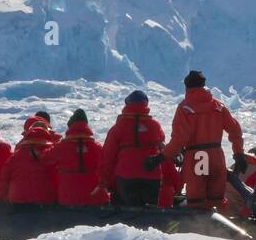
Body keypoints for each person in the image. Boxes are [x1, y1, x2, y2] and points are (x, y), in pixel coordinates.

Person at [145, 70, 246, 211]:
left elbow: (178, 140)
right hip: (217, 157)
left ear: (187, 86)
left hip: (199, 158)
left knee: (197, 203)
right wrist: (239, 154)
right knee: (216, 200)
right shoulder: (218, 106)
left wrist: (160, 158)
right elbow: (235, 130)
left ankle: (197, 230)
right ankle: (223, 229)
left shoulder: (185, 108)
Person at [100, 90, 166, 206]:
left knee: (129, 213)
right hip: (152, 176)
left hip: (126, 176)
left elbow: (108, 157)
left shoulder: (118, 127)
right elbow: (163, 150)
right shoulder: (155, 125)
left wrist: (106, 180)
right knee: (150, 214)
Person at [45, 109, 108, 205]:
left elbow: (45, 159)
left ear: (70, 126)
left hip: (69, 199)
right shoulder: (97, 147)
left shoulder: (61, 147)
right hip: (96, 199)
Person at [0, 120, 57, 204]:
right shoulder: (52, 155)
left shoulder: (16, 155)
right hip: (46, 204)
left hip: (18, 203)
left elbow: (4, 176)